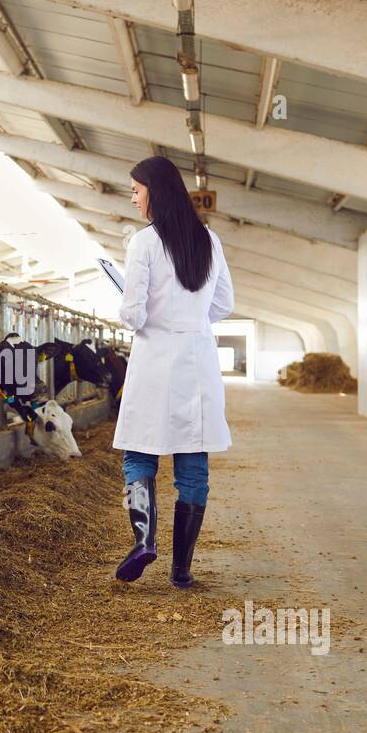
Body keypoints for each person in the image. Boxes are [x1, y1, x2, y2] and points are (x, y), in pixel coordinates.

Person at [112, 156, 233, 588]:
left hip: (154, 360)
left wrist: (129, 305)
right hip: (197, 362)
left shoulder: (144, 243)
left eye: (136, 188)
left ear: (154, 191)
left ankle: (144, 540)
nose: (132, 195)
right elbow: (224, 305)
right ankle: (181, 570)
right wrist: (192, 318)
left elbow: (132, 313)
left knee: (139, 453)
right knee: (193, 463)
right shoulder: (210, 240)